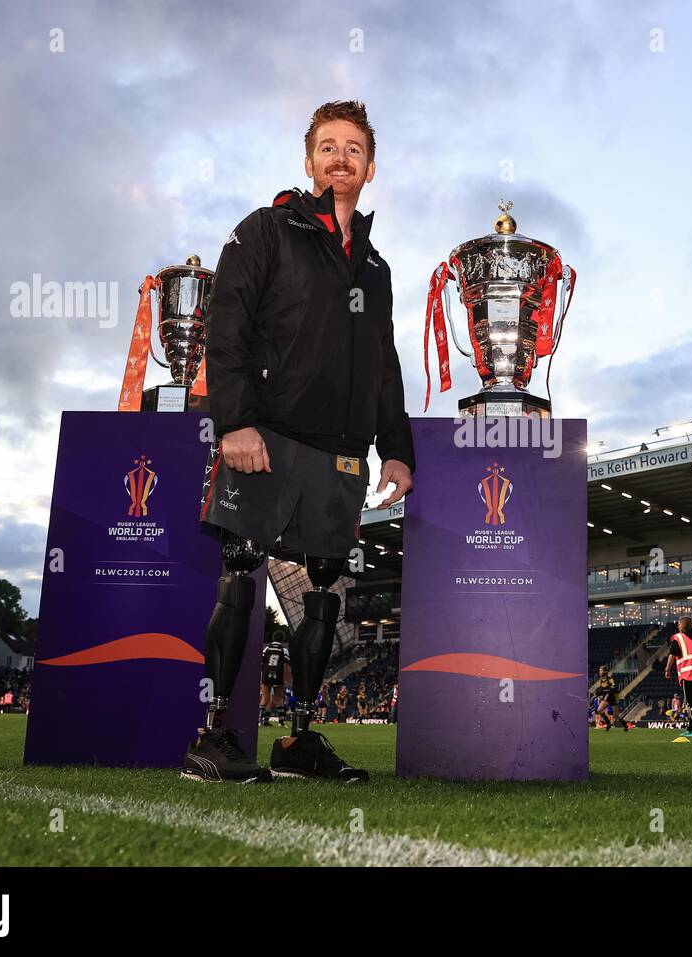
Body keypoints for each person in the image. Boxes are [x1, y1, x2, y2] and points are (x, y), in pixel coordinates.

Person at [182, 100, 415, 785]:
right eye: (328, 147)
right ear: (310, 160)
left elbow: (385, 364)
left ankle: (299, 740)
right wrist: (233, 422)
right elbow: (226, 325)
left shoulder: (375, 268)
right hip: (265, 434)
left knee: (324, 585)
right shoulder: (266, 229)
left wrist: (397, 448)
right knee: (240, 569)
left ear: (370, 169)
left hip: (340, 450)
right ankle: (213, 736)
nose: (341, 158)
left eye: (354, 149)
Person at [259, 639, 288, 726]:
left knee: (264, 698)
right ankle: (281, 722)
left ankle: (260, 721)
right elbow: (285, 665)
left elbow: (261, 661)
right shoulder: (284, 649)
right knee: (279, 698)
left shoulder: (267, 648)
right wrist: (286, 679)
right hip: (277, 674)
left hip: (266, 674)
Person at [595, 665, 630, 731]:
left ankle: (625, 726)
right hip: (609, 696)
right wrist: (600, 692)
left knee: (616, 715)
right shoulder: (603, 679)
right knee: (600, 710)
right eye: (599, 670)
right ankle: (609, 723)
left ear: (605, 671)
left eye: (601, 670)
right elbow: (604, 688)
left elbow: (613, 688)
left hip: (612, 696)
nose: (599, 672)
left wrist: (603, 692)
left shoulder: (609, 679)